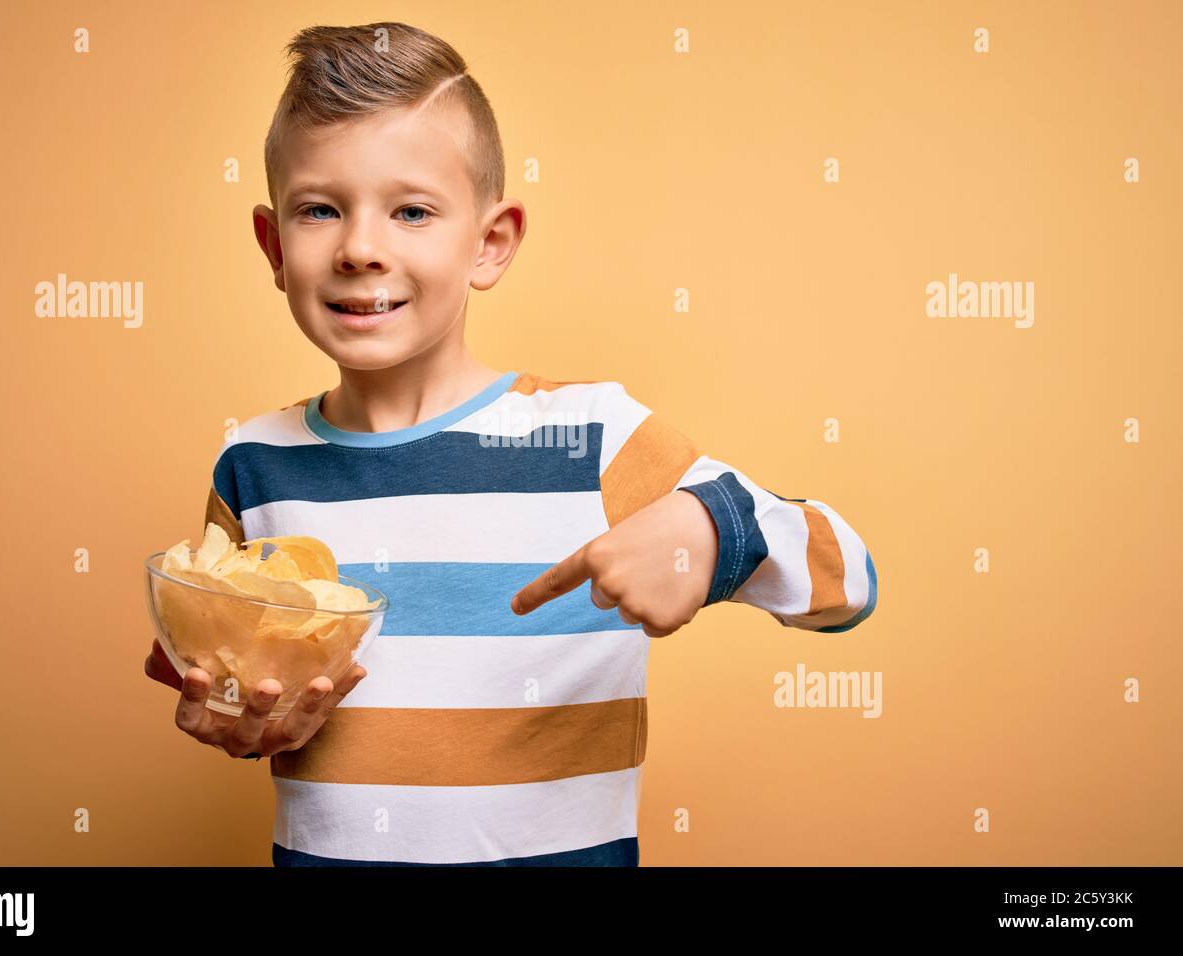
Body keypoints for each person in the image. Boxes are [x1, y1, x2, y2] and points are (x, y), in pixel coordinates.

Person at [144, 20, 877, 866]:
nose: (359, 248)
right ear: (275, 247)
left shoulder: (588, 439)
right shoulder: (252, 465)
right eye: (320, 210)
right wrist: (234, 716)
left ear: (489, 244)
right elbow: (218, 684)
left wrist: (712, 532)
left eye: (412, 211)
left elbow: (850, 579)